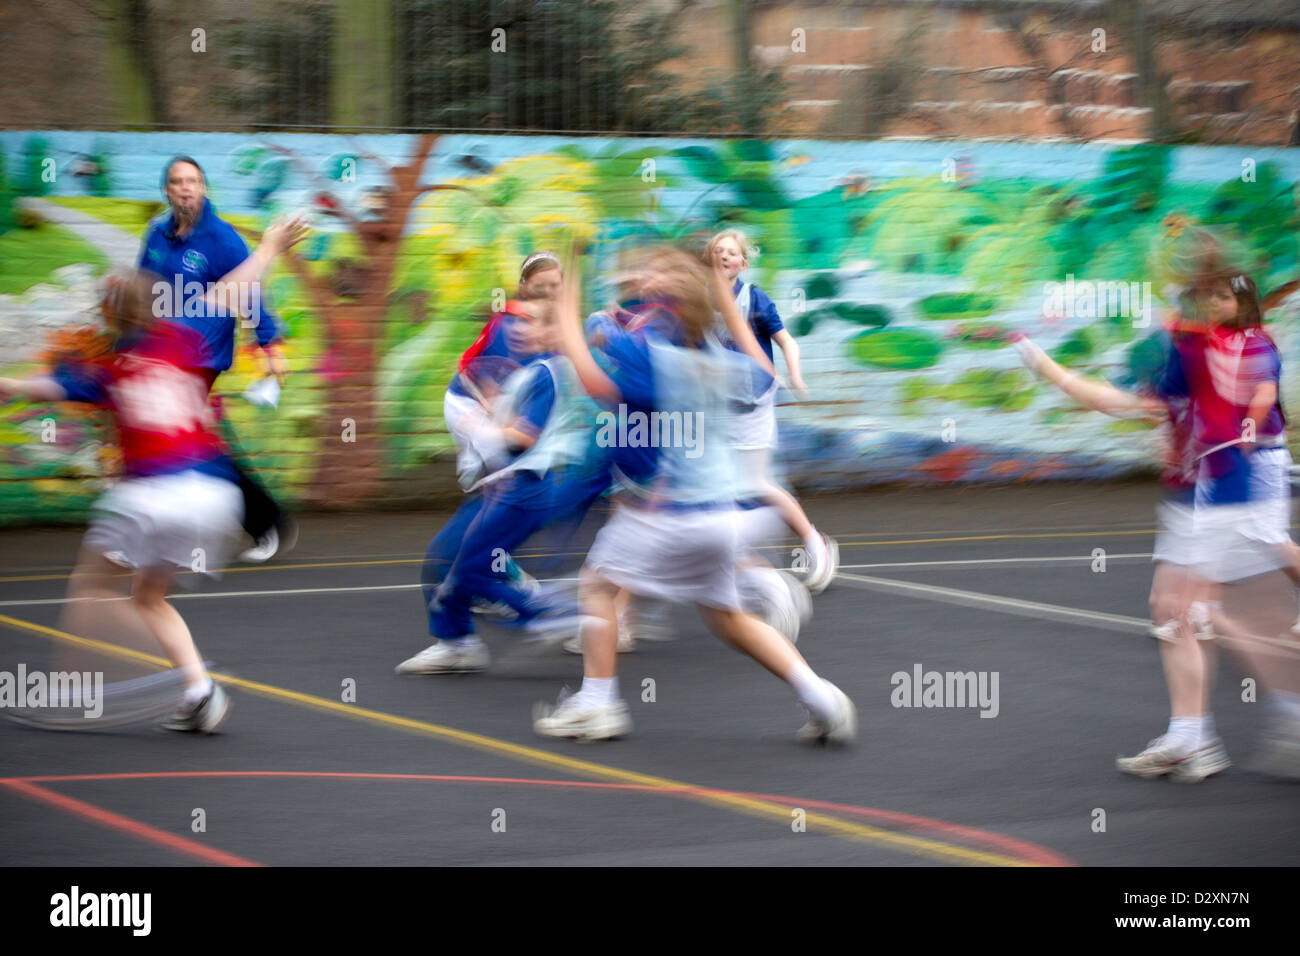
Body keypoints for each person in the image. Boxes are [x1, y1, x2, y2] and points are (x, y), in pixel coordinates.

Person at [533, 246, 855, 743]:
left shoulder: (654, 358)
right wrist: (725, 301)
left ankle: (598, 705)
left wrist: (566, 304)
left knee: (597, 586)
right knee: (729, 620)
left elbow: (590, 374)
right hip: (725, 520)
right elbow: (765, 375)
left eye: (655, 289)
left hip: (669, 517)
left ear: (668, 308)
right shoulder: (718, 357)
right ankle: (822, 698)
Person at [0, 272, 245, 731]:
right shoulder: (187, 339)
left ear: (112, 313)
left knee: (91, 585)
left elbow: (48, 387)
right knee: (148, 597)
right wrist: (269, 249)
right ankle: (199, 690)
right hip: (213, 491)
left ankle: (66, 689)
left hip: (152, 491)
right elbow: (229, 292)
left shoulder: (112, 368)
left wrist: (8, 385)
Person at [139, 156, 294, 562]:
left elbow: (251, 290)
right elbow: (141, 290)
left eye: (193, 181)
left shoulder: (222, 239)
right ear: (167, 190)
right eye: (177, 182)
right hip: (163, 355)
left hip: (201, 357)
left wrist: (270, 343)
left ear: (203, 188)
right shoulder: (157, 235)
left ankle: (157, 532)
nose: (186, 188)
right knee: (194, 443)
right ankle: (265, 520)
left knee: (170, 437)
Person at [706, 229, 839, 594]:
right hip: (716, 406)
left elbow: (786, 340)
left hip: (752, 404)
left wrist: (795, 374)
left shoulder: (755, 299)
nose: (724, 256)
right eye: (718, 251)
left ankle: (815, 542)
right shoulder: (699, 302)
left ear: (743, 263)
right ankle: (739, 563)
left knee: (754, 484)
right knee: (718, 487)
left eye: (731, 252)